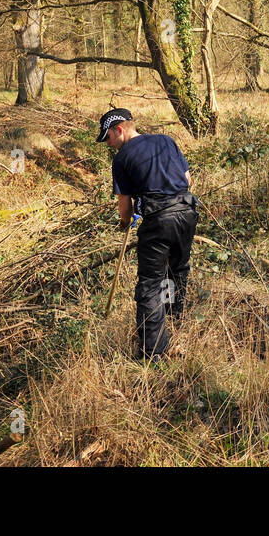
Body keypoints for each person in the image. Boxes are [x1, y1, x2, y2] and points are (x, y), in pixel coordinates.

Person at [98, 107, 199, 359]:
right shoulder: (166, 140)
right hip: (187, 213)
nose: (109, 144)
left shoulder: (122, 158)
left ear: (119, 129)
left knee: (150, 284)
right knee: (175, 272)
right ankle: (174, 324)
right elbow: (188, 180)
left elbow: (124, 205)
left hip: (158, 221)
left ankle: (153, 352)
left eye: (108, 138)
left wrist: (125, 222)